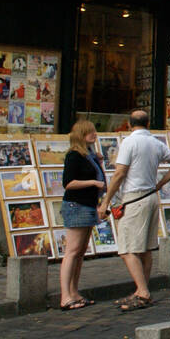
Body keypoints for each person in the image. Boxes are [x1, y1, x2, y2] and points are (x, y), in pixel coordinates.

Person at [100, 110, 170, 311]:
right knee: (145, 249)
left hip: (135, 197)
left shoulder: (130, 142)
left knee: (127, 248)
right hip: (150, 197)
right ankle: (141, 290)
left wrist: (105, 201)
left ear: (129, 124)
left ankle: (143, 291)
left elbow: (120, 173)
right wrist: (159, 184)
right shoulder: (155, 143)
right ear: (147, 123)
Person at [58, 119, 105, 310]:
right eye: (90, 132)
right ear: (81, 134)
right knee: (72, 251)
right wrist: (93, 183)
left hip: (88, 204)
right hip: (76, 205)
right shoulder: (74, 156)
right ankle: (65, 296)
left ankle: (74, 292)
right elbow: (68, 183)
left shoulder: (90, 155)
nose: (94, 134)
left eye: (94, 131)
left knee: (79, 252)